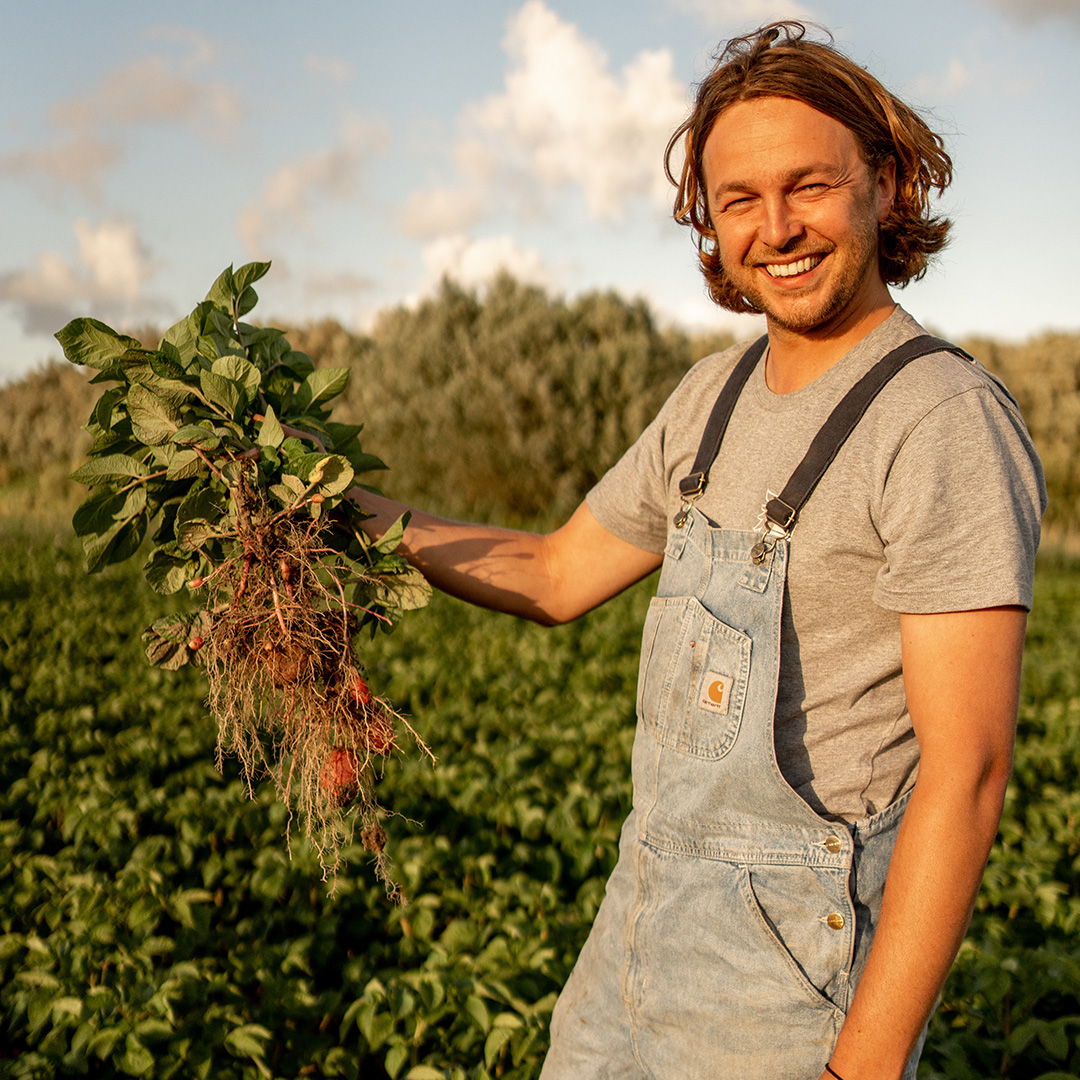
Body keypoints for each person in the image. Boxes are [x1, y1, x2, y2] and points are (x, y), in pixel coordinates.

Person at [349, 22, 1046, 1080]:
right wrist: (340, 509)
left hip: (786, 997)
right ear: (709, 225)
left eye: (809, 185)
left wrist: (860, 1069)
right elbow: (552, 573)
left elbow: (970, 774)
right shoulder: (708, 401)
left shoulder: (939, 418)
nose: (777, 227)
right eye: (739, 201)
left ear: (888, 184)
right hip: (634, 943)